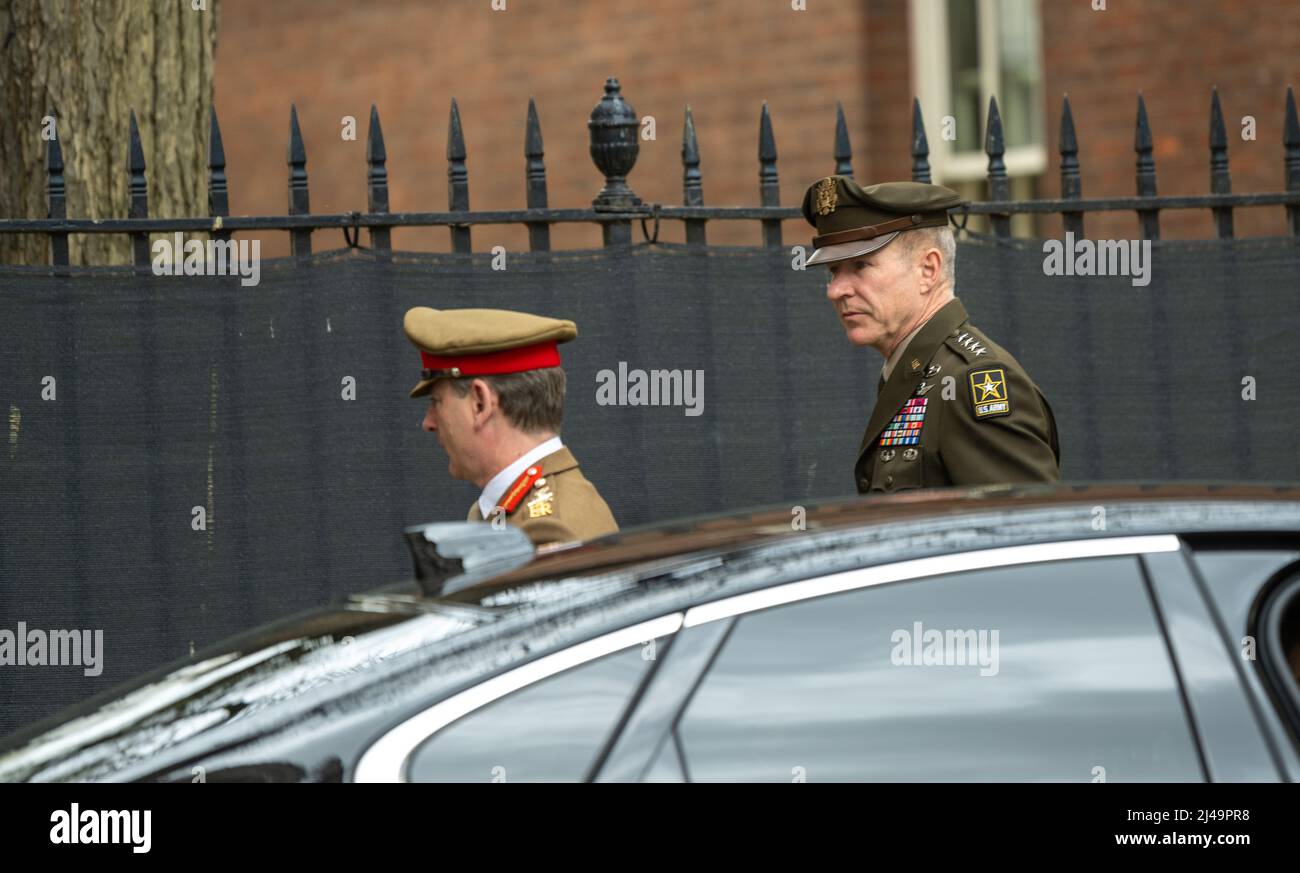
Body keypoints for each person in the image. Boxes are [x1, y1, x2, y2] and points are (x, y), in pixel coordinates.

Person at [800, 175, 1060, 493]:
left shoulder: (972, 378)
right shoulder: (916, 370)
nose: (836, 290)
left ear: (928, 270)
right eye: (833, 271)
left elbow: (1023, 532)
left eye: (860, 266)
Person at [404, 306, 619, 544]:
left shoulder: (548, 532)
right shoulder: (510, 510)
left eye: (437, 402)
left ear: (479, 403)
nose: (428, 422)